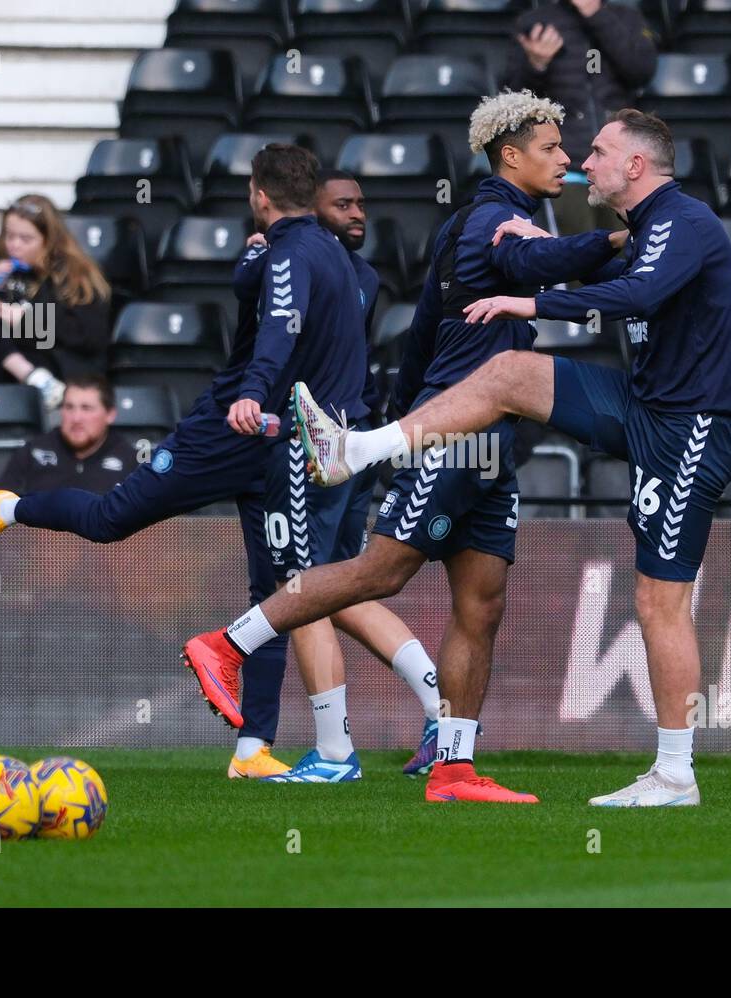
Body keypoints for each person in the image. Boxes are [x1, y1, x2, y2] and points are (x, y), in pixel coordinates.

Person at [183, 91, 631, 804]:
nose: (567, 159)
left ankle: (454, 769)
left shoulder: (470, 224)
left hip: (490, 439)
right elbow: (546, 260)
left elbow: (425, 327)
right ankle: (226, 645)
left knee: (481, 604)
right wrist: (617, 237)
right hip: (455, 433)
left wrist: (396, 414)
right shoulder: (491, 219)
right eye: (552, 147)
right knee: (377, 573)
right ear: (510, 154)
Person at [0, 145, 436, 780]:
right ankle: (8, 507)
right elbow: (274, 320)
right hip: (238, 435)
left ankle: (253, 749)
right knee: (112, 519)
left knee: (283, 594)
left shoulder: (293, 255)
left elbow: (281, 328)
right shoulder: (328, 261)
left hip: (274, 434)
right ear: (310, 197)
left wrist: (259, 390)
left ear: (259, 195)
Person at [232, 169, 441, 783]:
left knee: (301, 589)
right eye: (343, 204)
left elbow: (259, 317)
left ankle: (334, 752)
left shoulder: (303, 266)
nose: (358, 214)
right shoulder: (359, 275)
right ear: (312, 212)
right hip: (355, 443)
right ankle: (440, 708)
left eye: (361, 204)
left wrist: (255, 256)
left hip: (314, 445)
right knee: (348, 586)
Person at [0, 194, 111, 409]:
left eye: (25, 239)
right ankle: (29, 374)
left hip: (46, 357)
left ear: (49, 240)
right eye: (9, 236)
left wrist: (26, 320)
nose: (14, 245)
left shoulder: (76, 276)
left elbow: (89, 337)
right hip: (9, 361)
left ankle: (33, 377)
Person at [502, 0, 657, 235]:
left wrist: (596, 14)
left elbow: (642, 70)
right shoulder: (535, 23)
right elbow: (514, 99)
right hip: (566, 165)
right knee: (571, 259)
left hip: (619, 164)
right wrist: (536, 65)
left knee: (626, 256)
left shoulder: (625, 17)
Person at [0, 375, 136, 495]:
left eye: (86, 408)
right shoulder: (32, 452)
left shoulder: (130, 460)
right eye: (69, 407)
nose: (76, 418)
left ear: (110, 414)